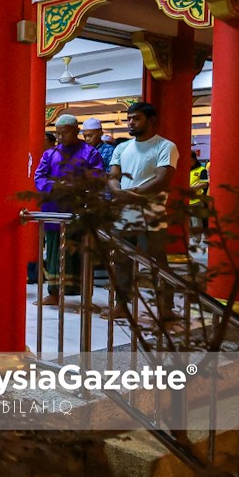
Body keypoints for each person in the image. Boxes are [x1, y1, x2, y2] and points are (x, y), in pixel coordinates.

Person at [106, 101, 179, 323]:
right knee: (121, 260)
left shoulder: (165, 146)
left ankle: (165, 307)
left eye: (136, 118)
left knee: (157, 261)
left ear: (151, 120)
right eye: (129, 118)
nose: (130, 122)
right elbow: (113, 176)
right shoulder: (121, 148)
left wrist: (129, 193)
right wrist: (119, 192)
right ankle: (121, 304)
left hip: (152, 212)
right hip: (123, 213)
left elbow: (162, 180)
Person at [34, 114, 105, 306]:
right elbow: (39, 177)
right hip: (54, 211)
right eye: (57, 133)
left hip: (78, 211)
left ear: (75, 131)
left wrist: (74, 186)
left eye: (63, 132)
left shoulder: (90, 153)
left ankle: (85, 297)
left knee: (81, 254)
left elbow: (97, 177)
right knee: (54, 253)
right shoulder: (50, 154)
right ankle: (54, 293)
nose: (59, 137)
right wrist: (54, 187)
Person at [188, 150, 209, 248]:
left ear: (194, 159)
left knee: (196, 221)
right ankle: (189, 238)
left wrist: (193, 188)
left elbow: (205, 184)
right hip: (186, 199)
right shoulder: (186, 169)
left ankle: (196, 240)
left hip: (196, 200)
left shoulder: (202, 170)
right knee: (186, 221)